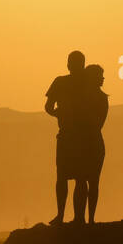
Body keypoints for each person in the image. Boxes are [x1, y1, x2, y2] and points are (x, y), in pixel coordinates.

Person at [45, 50, 88, 224]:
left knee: (64, 177)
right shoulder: (87, 83)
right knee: (79, 177)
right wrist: (59, 114)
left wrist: (58, 114)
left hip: (71, 136)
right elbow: (48, 106)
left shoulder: (61, 82)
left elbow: (48, 107)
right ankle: (76, 217)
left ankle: (65, 216)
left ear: (68, 64)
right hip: (80, 137)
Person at [75, 64, 108, 223]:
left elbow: (97, 123)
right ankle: (84, 219)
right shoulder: (98, 98)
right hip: (90, 143)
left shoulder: (98, 98)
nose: (103, 78)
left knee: (88, 181)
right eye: (100, 75)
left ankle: (88, 219)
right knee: (84, 181)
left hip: (90, 144)